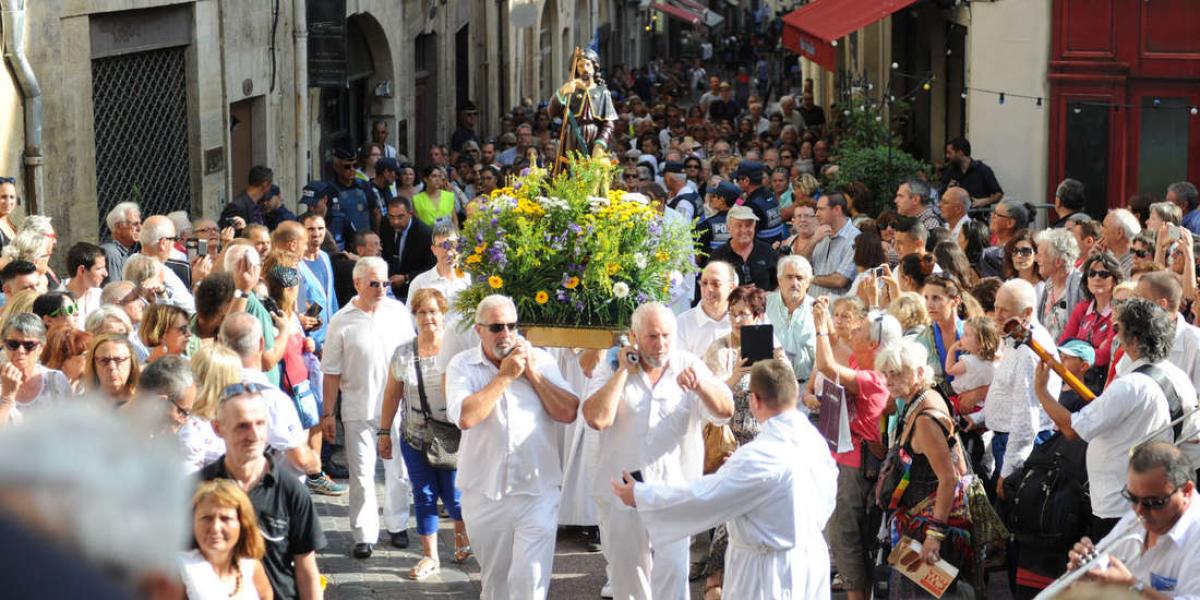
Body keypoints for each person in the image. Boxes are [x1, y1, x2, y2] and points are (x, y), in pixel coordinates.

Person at [610, 358, 838, 600]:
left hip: (768, 573)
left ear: (754, 400)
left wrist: (641, 495)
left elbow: (703, 498)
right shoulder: (814, 441)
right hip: (811, 560)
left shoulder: (757, 456)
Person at [583, 302, 732, 600]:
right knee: (628, 578)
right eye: (652, 336)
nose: (661, 344)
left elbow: (725, 411)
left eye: (666, 335)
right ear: (634, 336)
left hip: (674, 490)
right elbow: (597, 418)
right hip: (622, 490)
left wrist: (701, 386)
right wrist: (623, 372)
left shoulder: (688, 363)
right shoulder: (612, 366)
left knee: (674, 575)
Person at [445, 294, 580, 600]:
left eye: (511, 325)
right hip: (485, 492)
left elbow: (569, 411)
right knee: (496, 585)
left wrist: (531, 373)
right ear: (479, 330)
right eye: (496, 327)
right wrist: (505, 376)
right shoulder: (462, 365)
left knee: (529, 583)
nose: (505, 333)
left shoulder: (541, 360)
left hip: (538, 491)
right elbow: (466, 417)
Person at [1035, 297, 1199, 538]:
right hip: (1148, 497)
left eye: (1117, 329)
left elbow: (1072, 429)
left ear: (1132, 339)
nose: (1113, 337)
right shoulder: (1178, 376)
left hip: (1118, 505)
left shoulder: (1130, 386)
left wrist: (1041, 390)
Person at [320, 257, 415, 558]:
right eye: (374, 283)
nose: (382, 289)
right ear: (357, 283)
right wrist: (328, 413)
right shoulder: (342, 320)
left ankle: (398, 524)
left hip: (397, 407)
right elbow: (331, 371)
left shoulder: (398, 312)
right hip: (357, 406)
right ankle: (363, 533)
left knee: (398, 468)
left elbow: (412, 357)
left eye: (385, 283)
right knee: (361, 473)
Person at [199, 382, 325, 600]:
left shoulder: (291, 491)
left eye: (260, 424)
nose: (255, 435)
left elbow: (307, 569)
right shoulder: (199, 489)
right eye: (243, 426)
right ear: (218, 428)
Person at [379, 288, 472, 580]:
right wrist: (384, 432)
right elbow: (392, 396)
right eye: (422, 312)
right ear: (414, 316)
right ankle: (430, 556)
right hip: (414, 435)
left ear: (442, 313)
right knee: (424, 494)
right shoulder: (404, 352)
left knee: (455, 497)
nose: (428, 317)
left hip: (452, 437)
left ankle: (462, 533)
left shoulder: (456, 350)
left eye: (433, 311)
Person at [876, 340, 973, 595]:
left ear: (919, 372)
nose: (888, 380)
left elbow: (949, 478)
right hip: (917, 524)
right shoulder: (919, 398)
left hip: (930, 528)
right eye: (886, 373)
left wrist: (935, 534)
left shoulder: (925, 419)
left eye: (896, 373)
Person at [1065, 442, 1200, 596]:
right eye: (1132, 498)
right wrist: (1086, 573)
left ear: (1187, 491)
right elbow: (1102, 566)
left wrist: (1131, 585)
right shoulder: (1137, 517)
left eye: (1154, 502)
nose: (1139, 510)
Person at [966, 278, 1060, 490]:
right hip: (1006, 441)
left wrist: (1009, 472)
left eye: (1004, 311)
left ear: (1027, 313)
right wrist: (979, 418)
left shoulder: (1029, 351)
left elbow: (1026, 417)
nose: (996, 317)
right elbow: (1007, 391)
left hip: (1017, 448)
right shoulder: (1016, 336)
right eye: (996, 308)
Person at [180, 479, 273, 600]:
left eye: (225, 518)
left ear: (243, 524)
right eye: (206, 518)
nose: (215, 528)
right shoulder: (179, 569)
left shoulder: (250, 566)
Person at [1060, 252, 1123, 387]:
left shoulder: (1117, 313)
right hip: (1073, 379)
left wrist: (1076, 349)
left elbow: (1106, 355)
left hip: (1100, 383)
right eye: (1092, 274)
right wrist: (1093, 349)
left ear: (1115, 280)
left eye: (1104, 274)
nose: (1097, 278)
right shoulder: (1082, 308)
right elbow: (1063, 344)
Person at [179, 344, 241, 473]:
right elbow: (187, 484)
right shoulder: (192, 429)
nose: (241, 384)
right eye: (237, 379)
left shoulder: (222, 418)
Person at [0, 314, 71, 424]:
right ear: (4, 345)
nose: (20, 351)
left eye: (29, 345)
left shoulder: (56, 380)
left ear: (41, 348)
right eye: (13, 344)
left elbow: (71, 428)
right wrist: (6, 399)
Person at [548, 49, 618, 157]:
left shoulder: (602, 92)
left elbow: (609, 123)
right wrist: (562, 92)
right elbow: (551, 112)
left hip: (594, 137)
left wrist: (600, 143)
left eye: (588, 65)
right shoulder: (571, 91)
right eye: (580, 66)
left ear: (595, 67)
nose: (585, 69)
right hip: (572, 139)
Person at [765, 255, 817, 384]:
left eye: (800, 278)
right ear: (779, 280)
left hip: (806, 386)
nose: (794, 283)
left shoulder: (818, 310)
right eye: (789, 277)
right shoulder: (763, 306)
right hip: (771, 385)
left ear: (808, 282)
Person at [709, 205, 778, 291]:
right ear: (728, 228)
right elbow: (711, 288)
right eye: (739, 225)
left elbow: (779, 284)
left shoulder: (768, 252)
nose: (744, 230)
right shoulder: (718, 256)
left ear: (754, 226)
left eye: (748, 225)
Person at [380, 197, 437, 300]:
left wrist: (406, 278)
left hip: (415, 290)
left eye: (400, 217)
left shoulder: (425, 234)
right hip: (388, 287)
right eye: (391, 217)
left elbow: (432, 267)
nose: (395, 221)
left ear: (410, 214)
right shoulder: (385, 225)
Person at [677, 261, 737, 357]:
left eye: (716, 284)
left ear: (732, 287)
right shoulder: (683, 323)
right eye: (704, 283)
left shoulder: (750, 319)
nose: (708, 289)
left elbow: (763, 364)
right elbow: (678, 367)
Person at [1035, 228, 1083, 342]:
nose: (1036, 259)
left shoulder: (1080, 287)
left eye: (1041, 255)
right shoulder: (1048, 286)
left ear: (1058, 262)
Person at [808, 192, 860, 298]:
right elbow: (800, 263)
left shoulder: (855, 239)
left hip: (837, 311)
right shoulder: (819, 233)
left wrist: (809, 278)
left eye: (821, 209)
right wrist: (812, 242)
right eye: (817, 209)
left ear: (837, 210)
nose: (816, 214)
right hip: (811, 306)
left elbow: (840, 280)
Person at [939, 137, 1003, 209]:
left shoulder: (983, 170)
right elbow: (940, 194)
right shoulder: (950, 170)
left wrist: (985, 201)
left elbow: (999, 194)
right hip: (956, 217)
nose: (947, 156)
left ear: (960, 152)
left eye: (949, 153)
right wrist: (948, 189)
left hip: (978, 218)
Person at [735, 161, 788, 246]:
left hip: (761, 254)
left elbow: (746, 240)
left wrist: (738, 200)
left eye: (738, 179)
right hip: (776, 247)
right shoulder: (771, 195)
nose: (736, 183)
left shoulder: (751, 206)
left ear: (746, 180)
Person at [84, 333, 139, 406]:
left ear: (132, 362)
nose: (111, 367)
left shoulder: (144, 404)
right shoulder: (80, 407)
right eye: (104, 360)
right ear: (93, 365)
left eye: (118, 359)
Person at [64, 242, 108, 326]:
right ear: (82, 270)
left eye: (104, 267)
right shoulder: (57, 300)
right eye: (99, 268)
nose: (105, 273)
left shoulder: (101, 296)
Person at [220, 165, 273, 230]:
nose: (270, 189)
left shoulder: (261, 206)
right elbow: (227, 234)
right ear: (265, 184)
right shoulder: (236, 206)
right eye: (270, 185)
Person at [40, 325, 90, 394]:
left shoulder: (92, 384)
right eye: (86, 355)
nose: (91, 358)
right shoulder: (42, 388)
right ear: (64, 359)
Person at [100, 202, 141, 285]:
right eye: (135, 224)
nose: (140, 228)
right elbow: (114, 292)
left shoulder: (124, 251)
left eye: (140, 223)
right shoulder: (111, 252)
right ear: (118, 227)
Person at [1100, 208, 1141, 276]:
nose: (1101, 231)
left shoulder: (1134, 265)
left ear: (1119, 233)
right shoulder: (1105, 257)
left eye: (1105, 227)